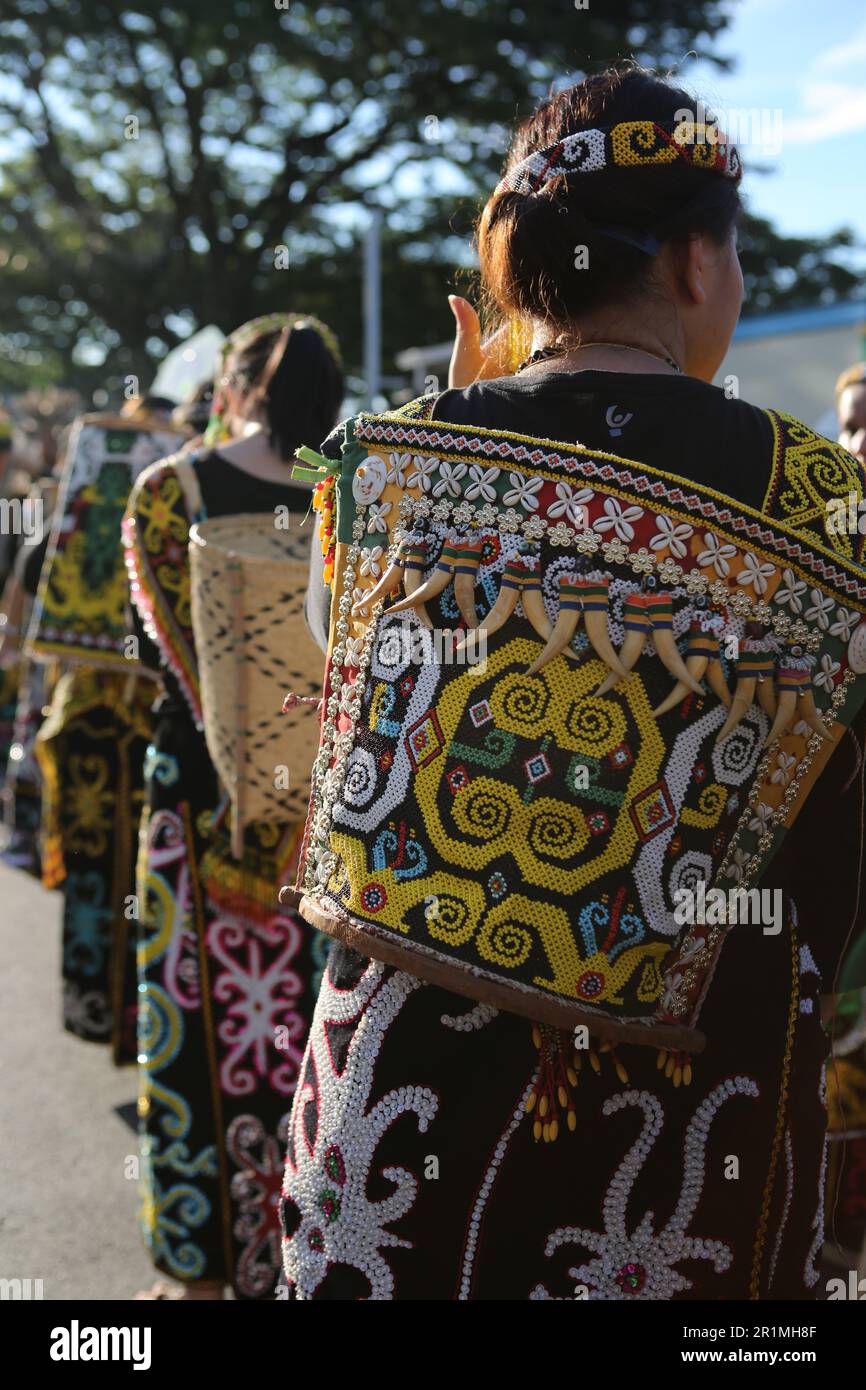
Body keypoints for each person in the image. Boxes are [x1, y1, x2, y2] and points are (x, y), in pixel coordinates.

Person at [280, 64, 866, 1301]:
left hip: (390, 1096)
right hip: (689, 1116)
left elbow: (352, 719)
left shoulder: (389, 462)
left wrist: (463, 415)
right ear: (699, 264)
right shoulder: (825, 502)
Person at [123, 313, 342, 1299]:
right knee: (308, 1042)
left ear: (239, 385)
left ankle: (197, 1276)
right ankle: (295, 1259)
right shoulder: (353, 497)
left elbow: (161, 663)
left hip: (198, 805)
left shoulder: (173, 493)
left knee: (194, 1032)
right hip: (322, 820)